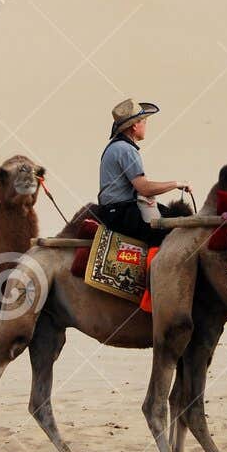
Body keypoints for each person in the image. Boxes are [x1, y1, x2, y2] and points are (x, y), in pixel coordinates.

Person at [95, 99, 191, 313]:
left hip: (120, 208)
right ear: (134, 126)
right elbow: (144, 187)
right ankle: (155, 292)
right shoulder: (126, 150)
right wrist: (176, 184)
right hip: (120, 212)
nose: (146, 126)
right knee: (164, 232)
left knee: (170, 218)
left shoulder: (118, 147)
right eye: (144, 122)